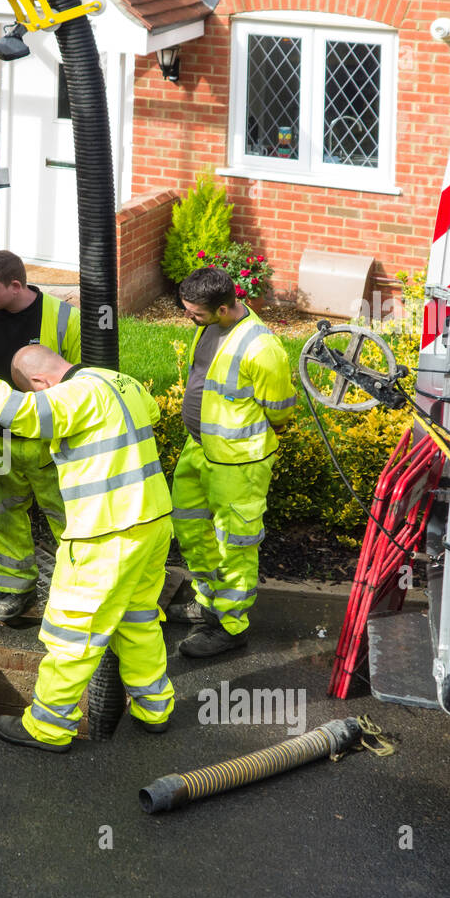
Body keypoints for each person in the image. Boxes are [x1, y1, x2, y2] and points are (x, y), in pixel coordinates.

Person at [0, 327, 175, 752]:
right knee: (137, 619)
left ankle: (48, 726)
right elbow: (144, 414)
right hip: (152, 522)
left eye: (36, 391)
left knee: (71, 632)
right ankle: (155, 708)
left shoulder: (71, 396)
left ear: (42, 383)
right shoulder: (120, 381)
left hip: (106, 532)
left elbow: (16, 412)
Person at [168, 267, 296, 658]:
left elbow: (281, 410)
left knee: (234, 545)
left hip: (238, 464)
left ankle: (230, 626)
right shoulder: (209, 328)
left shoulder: (262, 348)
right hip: (199, 449)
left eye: (196, 314)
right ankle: (209, 603)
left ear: (224, 308)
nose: (190, 318)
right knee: (189, 528)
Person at [0, 250, 81, 622]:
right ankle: (16, 590)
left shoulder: (66, 319)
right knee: (3, 518)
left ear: (16, 285)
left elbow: (83, 383)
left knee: (71, 523)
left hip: (47, 446)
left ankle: (78, 593)